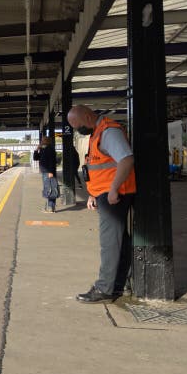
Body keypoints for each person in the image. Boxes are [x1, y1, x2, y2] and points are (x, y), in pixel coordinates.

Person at [66, 104, 136, 303]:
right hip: (105, 194)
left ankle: (105, 289)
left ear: (88, 116)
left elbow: (126, 160)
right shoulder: (97, 133)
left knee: (110, 244)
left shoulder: (109, 132)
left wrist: (113, 189)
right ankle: (119, 284)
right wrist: (93, 194)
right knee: (119, 242)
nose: (77, 129)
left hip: (115, 195)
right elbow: (99, 169)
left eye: (77, 125)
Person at [36, 136, 58, 213]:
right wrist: (37, 150)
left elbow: (52, 161)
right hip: (45, 172)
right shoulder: (43, 149)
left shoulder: (50, 149)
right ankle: (51, 207)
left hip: (48, 172)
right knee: (49, 188)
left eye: (43, 140)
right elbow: (35, 158)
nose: (41, 141)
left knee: (50, 189)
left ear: (46, 141)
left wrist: (51, 172)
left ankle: (50, 208)